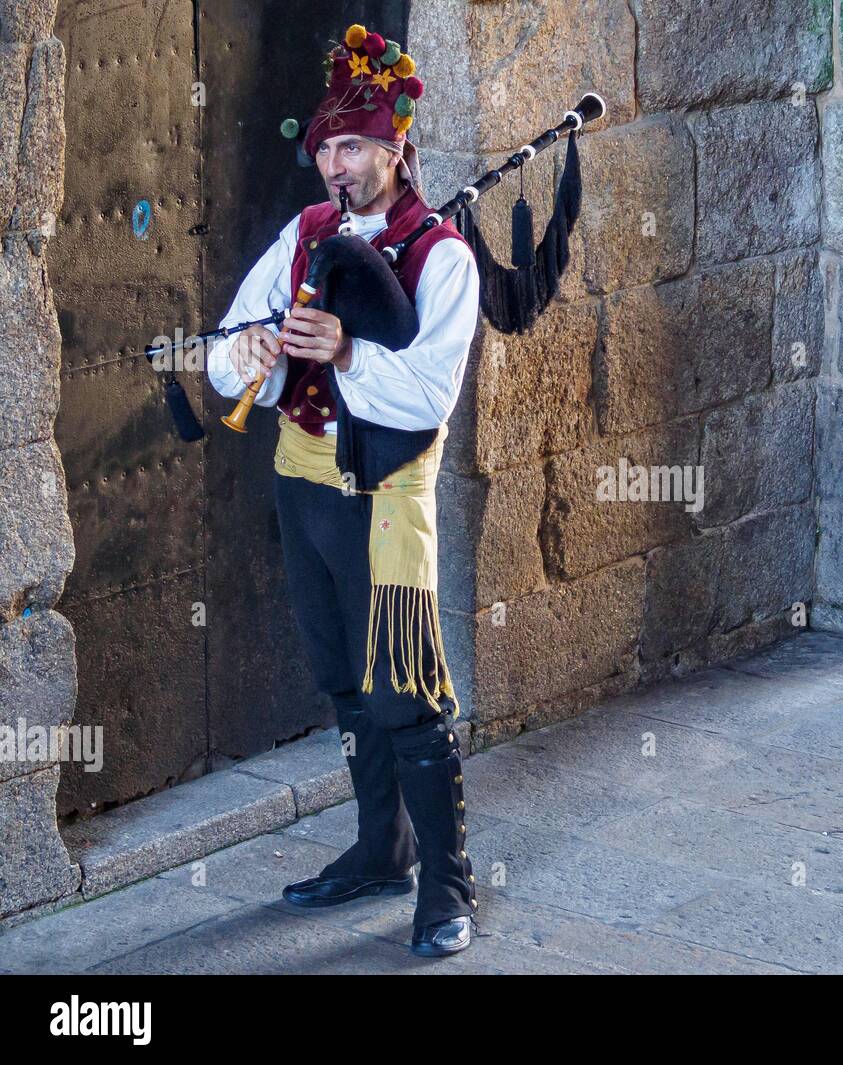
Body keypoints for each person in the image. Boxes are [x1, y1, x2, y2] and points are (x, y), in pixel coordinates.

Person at [206, 23, 480, 959]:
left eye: (354, 145)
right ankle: (380, 847)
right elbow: (235, 332)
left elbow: (432, 391)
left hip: (388, 492)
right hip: (302, 478)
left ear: (395, 148)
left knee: (405, 687)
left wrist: (349, 353)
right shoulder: (306, 233)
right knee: (346, 680)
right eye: (326, 147)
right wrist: (245, 355)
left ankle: (447, 884)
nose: (336, 163)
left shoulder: (441, 256)